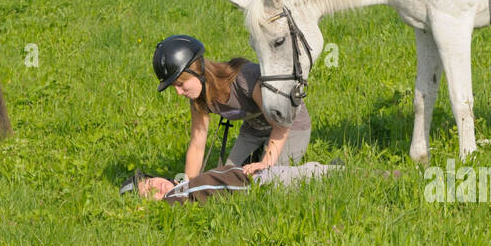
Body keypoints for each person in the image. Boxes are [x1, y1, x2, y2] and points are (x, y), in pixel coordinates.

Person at [151, 34, 311, 180]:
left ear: (196, 70)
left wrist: (266, 162)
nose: (179, 92)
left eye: (180, 84)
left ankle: (322, 172)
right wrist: (188, 187)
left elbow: (281, 125)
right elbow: (197, 146)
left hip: (290, 126)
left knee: (266, 178)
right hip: (254, 131)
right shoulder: (197, 99)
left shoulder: (244, 79)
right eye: (174, 87)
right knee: (228, 178)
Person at [126, 161, 344, 205]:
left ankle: (343, 171)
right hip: (259, 186)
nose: (158, 187)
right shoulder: (175, 198)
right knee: (313, 174)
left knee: (313, 172)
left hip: (258, 176)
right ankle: (361, 175)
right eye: (151, 192)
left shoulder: (182, 184)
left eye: (153, 181)